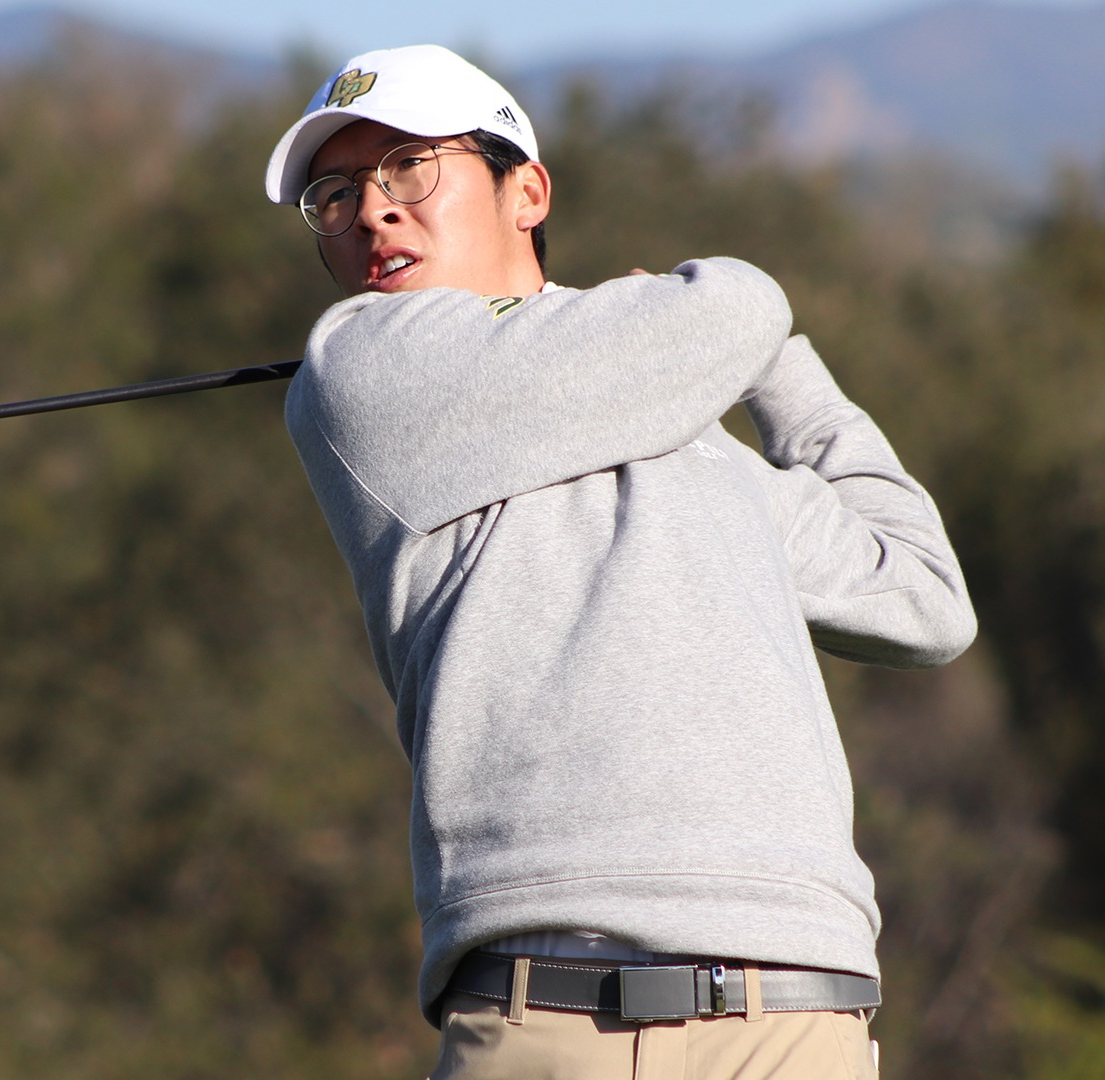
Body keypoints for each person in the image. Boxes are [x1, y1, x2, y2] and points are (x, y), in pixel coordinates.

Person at [266, 44, 976, 1079]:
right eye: (333, 196)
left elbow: (922, 598)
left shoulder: (699, 448)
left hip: (798, 1012)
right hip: (548, 1017)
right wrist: (729, 323)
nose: (371, 211)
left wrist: (774, 367)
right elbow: (735, 303)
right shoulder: (361, 368)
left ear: (527, 190)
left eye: (411, 166)